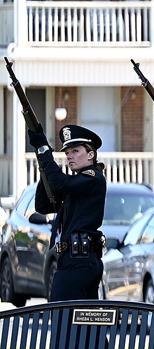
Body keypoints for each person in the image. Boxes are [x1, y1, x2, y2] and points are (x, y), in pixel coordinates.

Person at [29, 125, 107, 301]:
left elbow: (60, 184)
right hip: (72, 259)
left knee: (62, 319)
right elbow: (43, 205)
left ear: (90, 154)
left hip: (81, 261)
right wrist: (43, 166)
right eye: (67, 152)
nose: (69, 156)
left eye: (75, 151)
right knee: (78, 324)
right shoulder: (76, 184)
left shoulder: (92, 177)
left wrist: (44, 151)